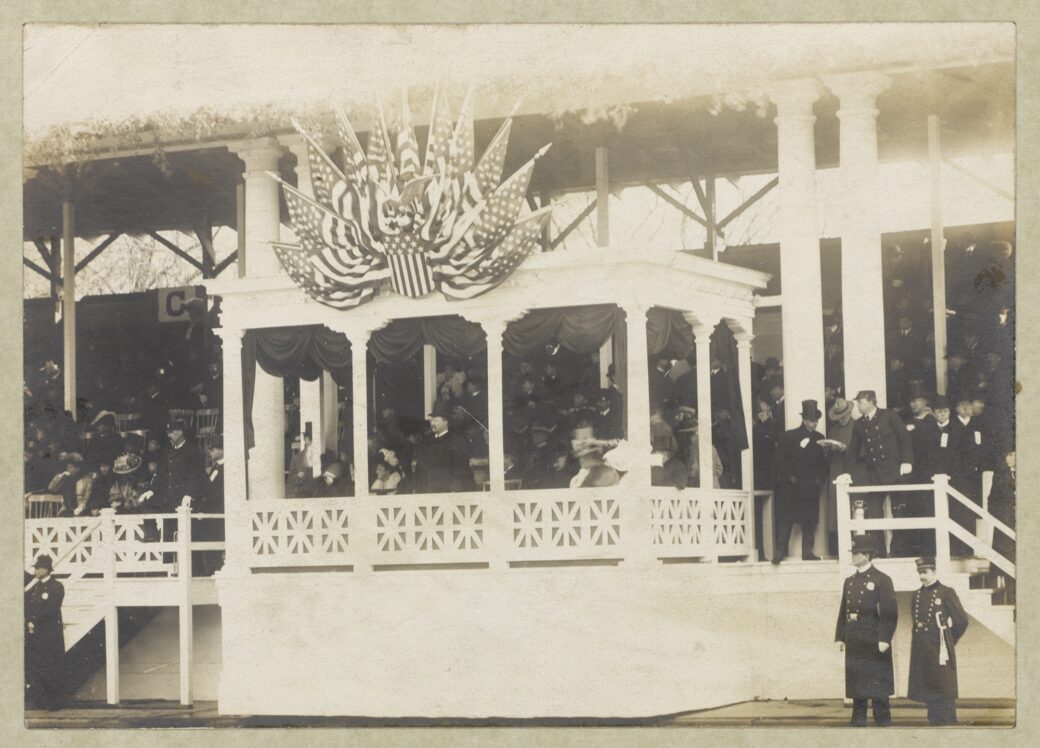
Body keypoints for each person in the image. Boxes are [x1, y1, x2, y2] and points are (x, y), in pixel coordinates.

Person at [835, 535, 897, 727]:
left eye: (856, 552)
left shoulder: (882, 579)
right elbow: (843, 610)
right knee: (857, 680)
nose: (853, 556)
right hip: (854, 638)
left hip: (874, 637)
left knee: (878, 681)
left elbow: (890, 613)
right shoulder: (849, 581)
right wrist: (840, 637)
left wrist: (885, 638)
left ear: (868, 555)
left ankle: (883, 720)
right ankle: (858, 720)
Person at [846, 390, 914, 556]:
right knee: (874, 512)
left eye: (860, 402)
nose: (858, 405)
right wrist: (847, 472)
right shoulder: (859, 424)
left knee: (899, 511)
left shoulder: (889, 415)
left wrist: (907, 461)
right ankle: (879, 551)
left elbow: (904, 438)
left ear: (871, 402)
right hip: (876, 474)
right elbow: (853, 450)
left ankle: (898, 551)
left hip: (896, 471)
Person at [907, 556, 969, 725]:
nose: (921, 576)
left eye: (925, 572)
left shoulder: (946, 592)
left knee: (943, 684)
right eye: (919, 572)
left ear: (934, 571)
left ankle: (948, 720)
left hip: (940, 646)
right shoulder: (916, 595)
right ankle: (934, 719)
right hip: (922, 647)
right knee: (928, 683)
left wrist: (948, 640)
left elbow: (961, 620)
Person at [771, 400, 828, 564]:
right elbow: (780, 459)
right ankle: (780, 551)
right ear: (804, 420)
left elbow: (822, 463)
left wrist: (819, 478)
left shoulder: (820, 438)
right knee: (787, 517)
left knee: (809, 518)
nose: (814, 423)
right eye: (811, 420)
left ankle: (807, 551)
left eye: (816, 420)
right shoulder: (789, 436)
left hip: (811, 484)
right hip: (792, 484)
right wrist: (789, 476)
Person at [25, 554, 66, 711]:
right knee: (38, 665)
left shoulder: (56, 587)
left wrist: (35, 621)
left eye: (40, 568)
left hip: (50, 634)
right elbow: (28, 607)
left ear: (48, 569)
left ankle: (54, 703)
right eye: (36, 568)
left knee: (52, 666)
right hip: (36, 634)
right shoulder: (35, 587)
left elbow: (51, 608)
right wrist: (29, 621)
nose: (37, 571)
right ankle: (42, 701)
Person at [411, 401, 476, 493]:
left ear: (446, 422)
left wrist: (454, 491)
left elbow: (460, 470)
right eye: (431, 420)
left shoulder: (456, 442)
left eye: (436, 420)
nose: (432, 423)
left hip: (448, 493)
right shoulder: (425, 444)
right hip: (428, 493)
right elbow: (420, 470)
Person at [824, 397, 858, 558]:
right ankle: (837, 549)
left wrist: (846, 449)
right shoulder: (833, 430)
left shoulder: (857, 427)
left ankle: (856, 546)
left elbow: (861, 451)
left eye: (844, 415)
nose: (842, 419)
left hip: (851, 469)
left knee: (853, 505)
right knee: (835, 507)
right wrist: (829, 447)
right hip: (836, 468)